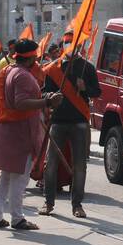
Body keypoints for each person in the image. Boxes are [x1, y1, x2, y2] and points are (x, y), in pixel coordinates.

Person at [0, 38, 61, 230]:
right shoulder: (23, 76)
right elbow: (20, 103)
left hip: (7, 130)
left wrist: (44, 98)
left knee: (6, 176)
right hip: (19, 132)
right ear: (31, 58)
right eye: (35, 57)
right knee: (20, 176)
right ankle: (17, 218)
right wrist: (47, 102)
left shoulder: (7, 71)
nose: (37, 60)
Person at [38, 36, 101, 219]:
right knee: (50, 164)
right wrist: (51, 96)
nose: (71, 46)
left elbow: (97, 91)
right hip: (57, 121)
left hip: (79, 121)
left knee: (80, 165)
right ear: (62, 46)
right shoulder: (53, 68)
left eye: (74, 43)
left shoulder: (87, 67)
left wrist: (85, 88)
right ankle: (48, 202)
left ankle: (77, 205)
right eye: (67, 43)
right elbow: (43, 92)